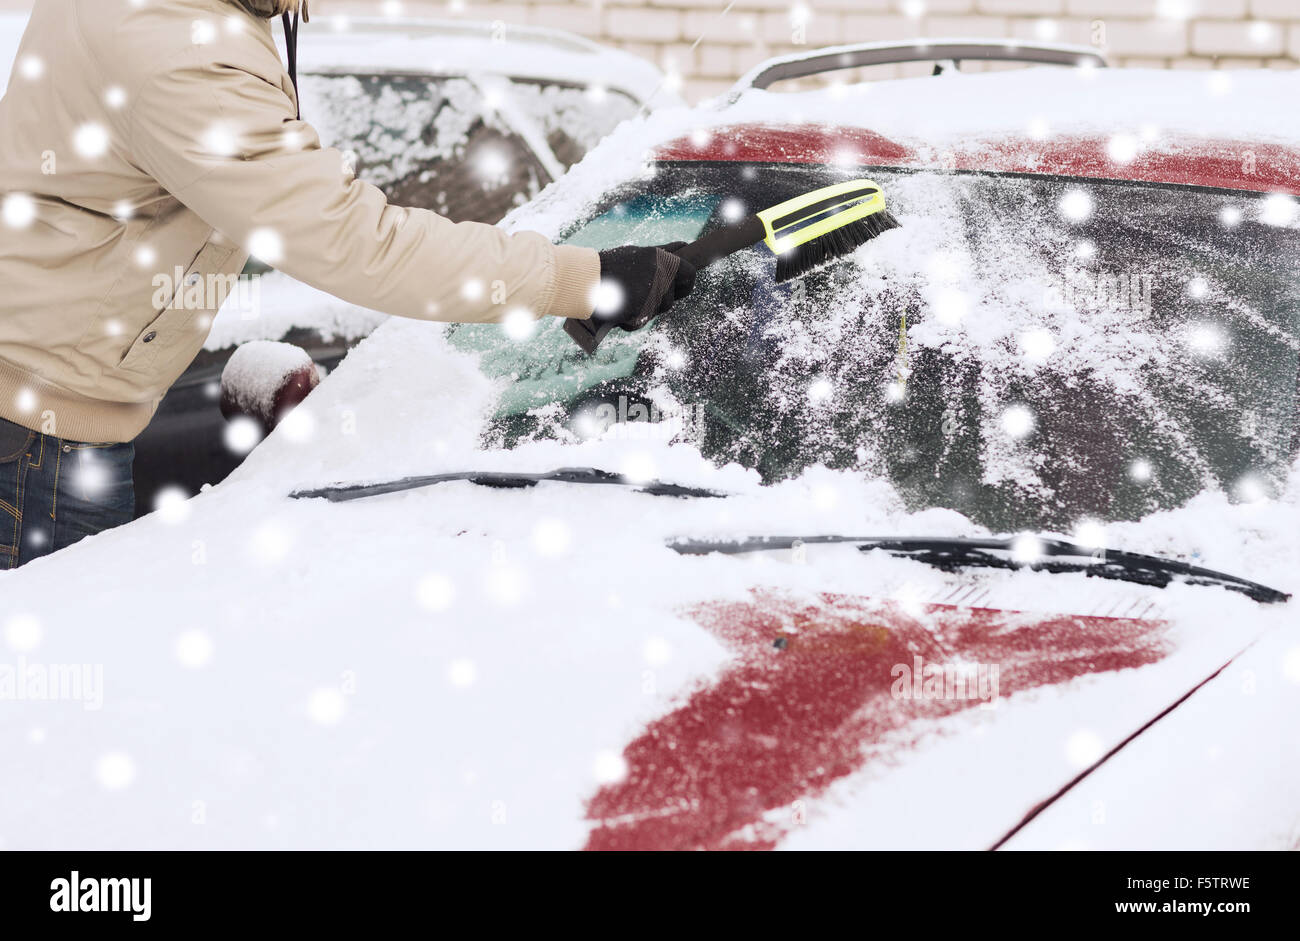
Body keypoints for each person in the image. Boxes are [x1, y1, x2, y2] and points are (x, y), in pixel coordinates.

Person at [0, 0, 695, 569]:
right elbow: (354, 241)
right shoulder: (179, 45)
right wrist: (585, 276)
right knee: (44, 711)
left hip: (46, 404)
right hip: (42, 439)